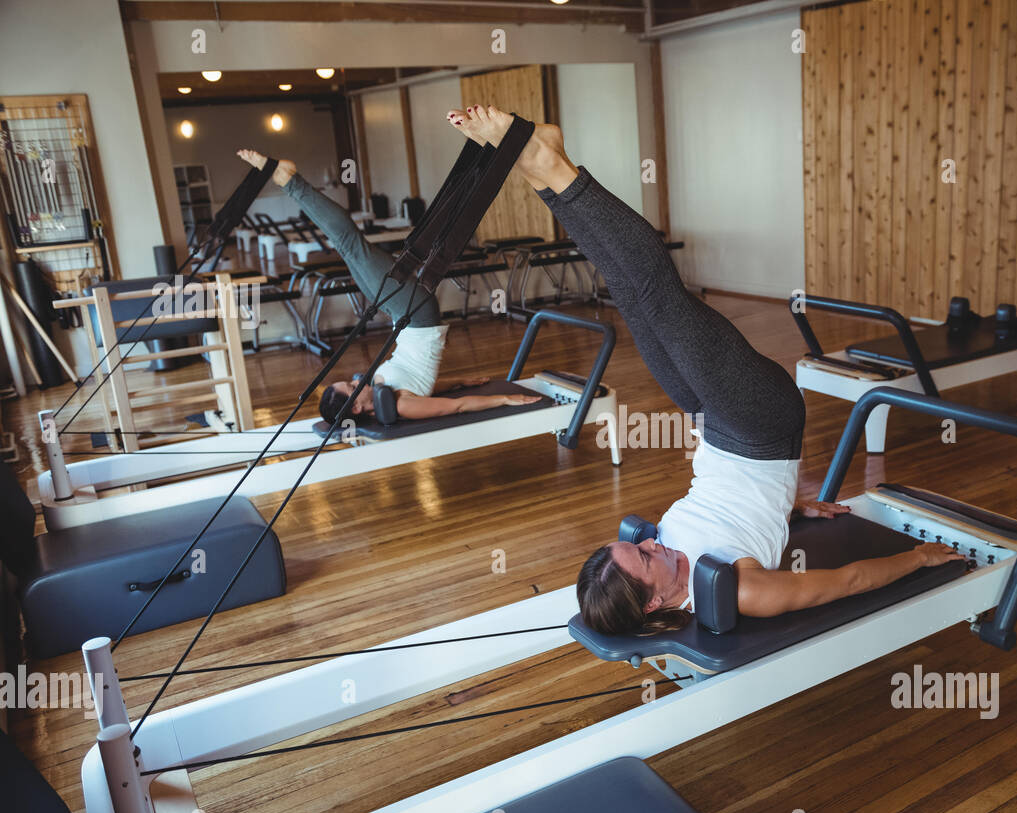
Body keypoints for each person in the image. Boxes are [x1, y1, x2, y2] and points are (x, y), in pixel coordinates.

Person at [445, 105, 964, 635]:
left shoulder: (663, 556)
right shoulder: (739, 589)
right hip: (762, 423)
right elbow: (848, 581)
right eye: (646, 557)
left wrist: (786, 506)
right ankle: (545, 161)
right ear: (654, 604)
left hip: (709, 419)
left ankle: (540, 172)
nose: (651, 540)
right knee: (659, 292)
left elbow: (731, 511)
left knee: (629, 295)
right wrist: (919, 559)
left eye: (636, 543)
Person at [236, 149, 540, 421]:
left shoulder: (382, 388)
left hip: (401, 317)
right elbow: (456, 407)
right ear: (356, 408)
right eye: (353, 387)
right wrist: (503, 398)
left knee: (346, 249)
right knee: (350, 243)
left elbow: (424, 384)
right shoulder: (403, 406)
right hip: (418, 317)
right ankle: (289, 180)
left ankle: (289, 179)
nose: (357, 380)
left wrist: (457, 383)